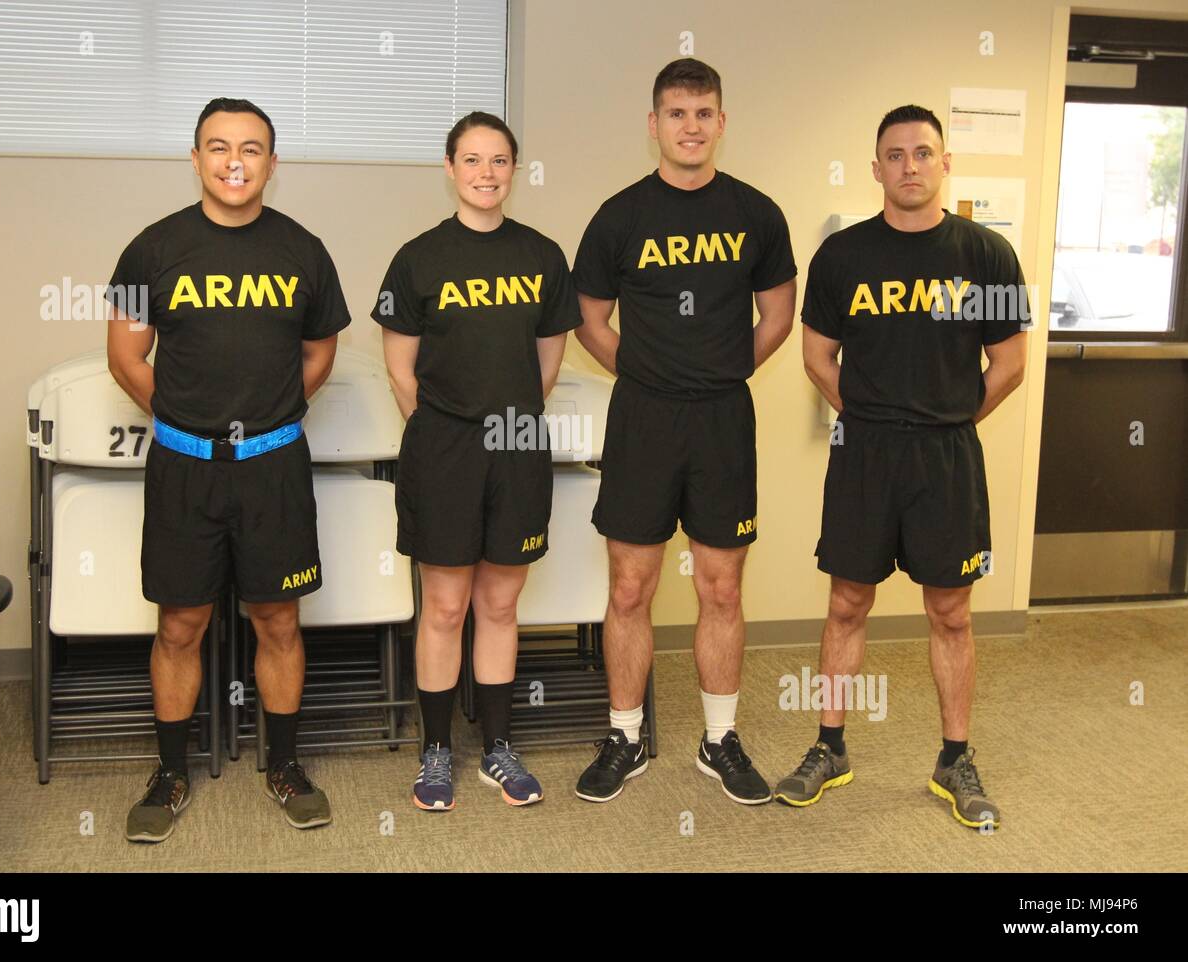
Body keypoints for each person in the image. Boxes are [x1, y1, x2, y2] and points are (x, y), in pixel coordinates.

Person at [775, 104, 1029, 830]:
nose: (910, 165)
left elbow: (1009, 363)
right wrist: (868, 417)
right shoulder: (844, 256)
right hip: (864, 455)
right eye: (896, 154)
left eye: (923, 152)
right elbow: (816, 356)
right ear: (877, 167)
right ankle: (830, 747)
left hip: (947, 457)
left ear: (945, 163)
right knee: (847, 603)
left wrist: (947, 422)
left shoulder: (987, 256)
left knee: (950, 610)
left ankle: (954, 758)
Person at [106, 98, 350, 842]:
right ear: (195, 158)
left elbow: (320, 353)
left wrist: (267, 416)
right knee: (180, 623)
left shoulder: (304, 250)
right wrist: (186, 421)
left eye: (251, 147)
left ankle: (283, 764)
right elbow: (124, 355)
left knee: (278, 618)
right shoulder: (150, 249)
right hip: (185, 473)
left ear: (273, 163)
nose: (234, 159)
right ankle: (172, 771)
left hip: (272, 469)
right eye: (218, 146)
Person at [571, 59, 797, 805]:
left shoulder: (757, 214)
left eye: (703, 113)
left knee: (720, 586)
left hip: (723, 421)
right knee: (630, 586)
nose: (690, 126)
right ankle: (626, 737)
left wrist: (723, 372)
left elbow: (778, 315)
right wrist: (643, 372)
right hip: (643, 419)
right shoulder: (620, 216)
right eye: (676, 113)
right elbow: (589, 319)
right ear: (654, 125)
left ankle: (719, 740)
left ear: (722, 123)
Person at [373, 112, 582, 811]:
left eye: (498, 161)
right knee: (445, 604)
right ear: (450, 167)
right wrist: (443, 431)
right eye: (472, 160)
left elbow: (547, 361)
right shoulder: (417, 258)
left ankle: (497, 747)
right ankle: (436, 752)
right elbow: (401, 368)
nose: (486, 173)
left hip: (517, 444)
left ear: (513, 171)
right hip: (444, 449)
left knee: (499, 602)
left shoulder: (544, 255)